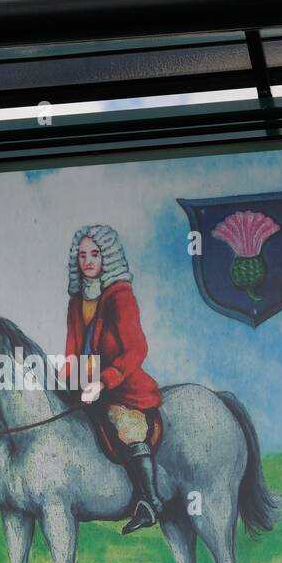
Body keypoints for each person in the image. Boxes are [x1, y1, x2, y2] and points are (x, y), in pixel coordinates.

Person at [64, 224, 163, 534]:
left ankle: (149, 502)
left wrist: (104, 382)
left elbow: (136, 349)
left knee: (126, 424)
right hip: (86, 385)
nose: (88, 261)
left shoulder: (121, 296)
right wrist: (66, 380)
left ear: (108, 257)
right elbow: (72, 352)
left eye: (95, 254)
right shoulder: (76, 302)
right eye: (82, 256)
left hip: (123, 388)